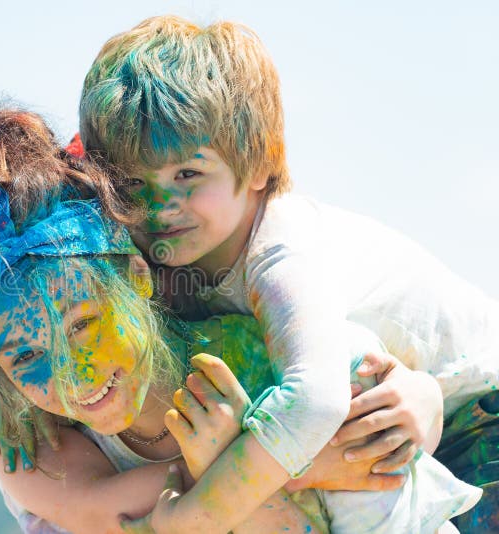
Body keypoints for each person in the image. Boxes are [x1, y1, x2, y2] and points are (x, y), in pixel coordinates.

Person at [0, 103, 479, 533]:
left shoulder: (301, 374)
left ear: (139, 280)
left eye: (82, 326)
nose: (72, 375)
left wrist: (254, 466)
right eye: (23, 357)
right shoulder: (31, 443)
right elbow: (108, 509)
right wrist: (257, 470)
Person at [78, 15, 499, 532]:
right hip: (400, 431)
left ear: (256, 164)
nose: (160, 204)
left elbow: (315, 400)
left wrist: (195, 515)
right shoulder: (165, 253)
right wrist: (10, 409)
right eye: (133, 182)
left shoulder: (281, 249)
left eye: (188, 173)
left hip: (480, 413)